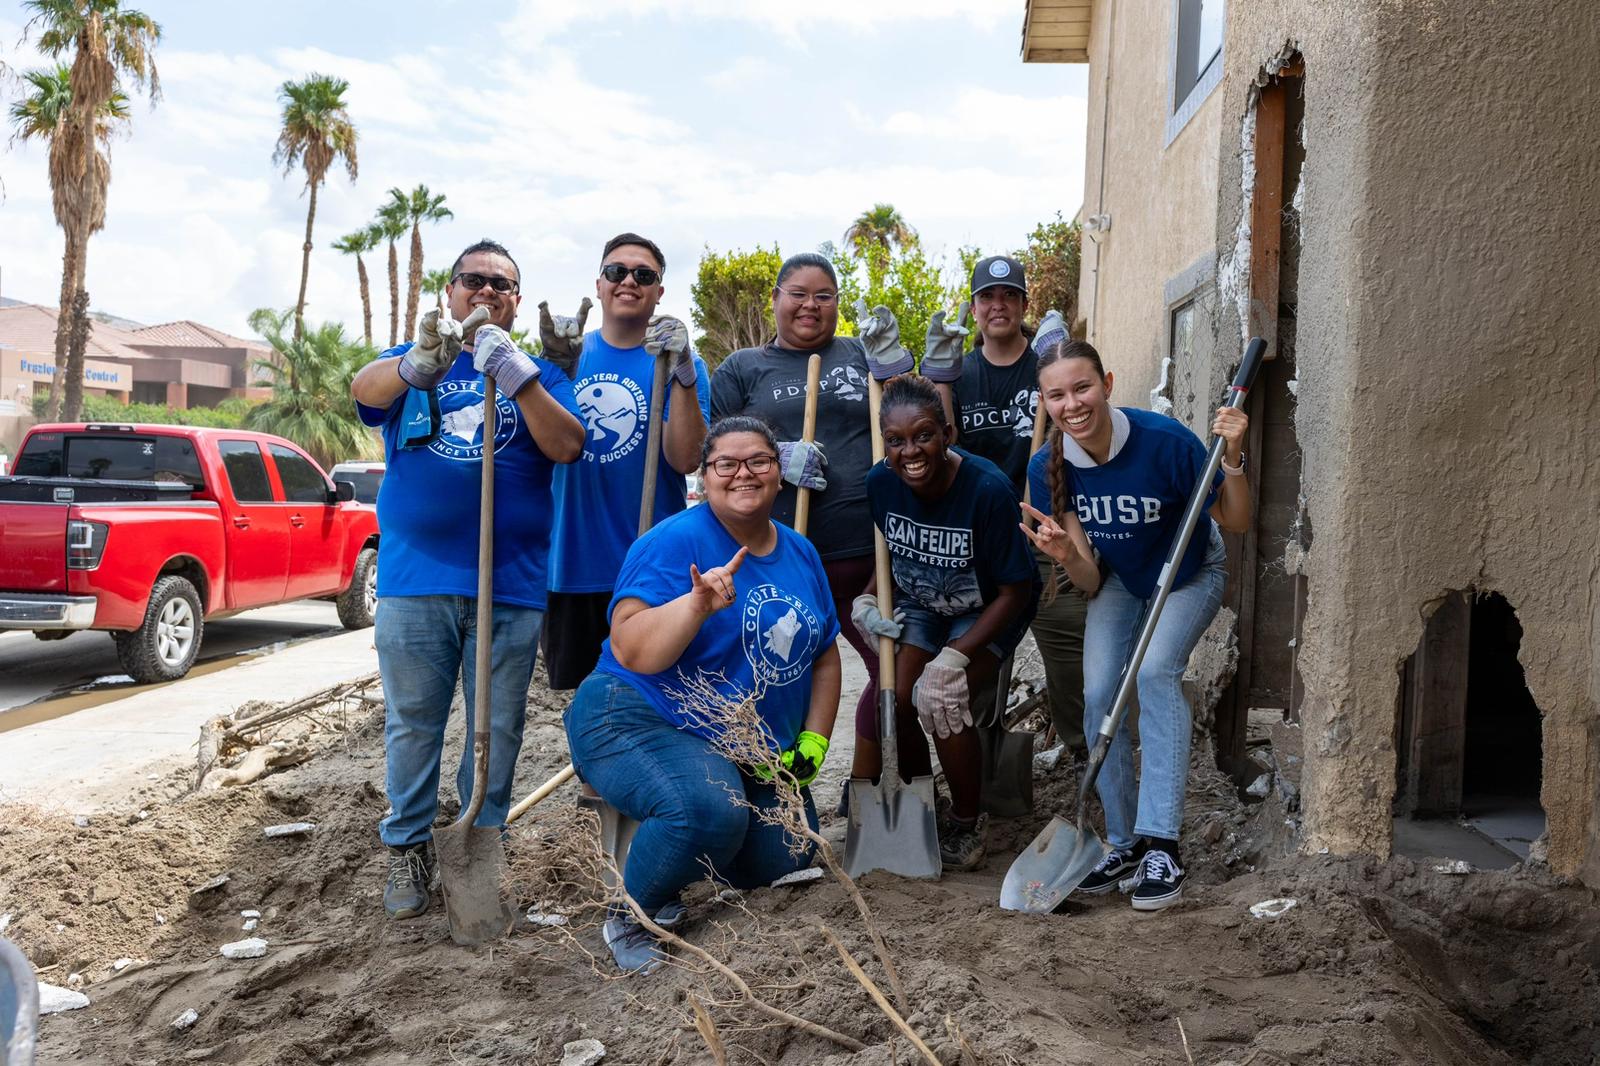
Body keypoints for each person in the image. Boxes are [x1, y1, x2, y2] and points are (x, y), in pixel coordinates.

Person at [351, 238, 585, 920]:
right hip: (414, 580)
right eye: (473, 280)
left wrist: (519, 378)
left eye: (502, 284)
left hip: (508, 585)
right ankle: (408, 849)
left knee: (498, 725)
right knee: (414, 725)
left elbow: (568, 444)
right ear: (451, 291)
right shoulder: (418, 362)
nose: (486, 291)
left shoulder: (535, 371)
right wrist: (418, 362)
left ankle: (484, 835)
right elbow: (362, 393)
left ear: (515, 300)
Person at [564, 416, 842, 973]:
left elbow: (826, 654)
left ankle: (682, 841)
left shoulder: (800, 552)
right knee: (704, 810)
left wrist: (813, 738)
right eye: (726, 464)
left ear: (779, 474)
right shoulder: (673, 541)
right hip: (633, 716)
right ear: (705, 475)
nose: (744, 473)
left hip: (734, 743)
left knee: (788, 847)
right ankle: (632, 913)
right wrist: (694, 606)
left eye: (759, 461)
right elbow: (634, 650)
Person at [1023, 338, 1250, 911]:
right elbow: (1092, 581)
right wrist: (1063, 554)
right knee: (1099, 690)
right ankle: (1121, 843)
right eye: (1057, 395)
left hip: (1189, 573)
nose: (1072, 403)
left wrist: (1233, 457)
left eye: (1083, 387)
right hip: (1122, 579)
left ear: (1108, 383)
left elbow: (1239, 519)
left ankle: (1162, 845)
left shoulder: (1163, 441)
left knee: (1153, 674)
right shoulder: (1046, 468)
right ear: (1043, 402)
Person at [710, 253, 885, 783]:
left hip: (867, 546)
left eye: (824, 295)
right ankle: (767, 782)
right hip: (783, 552)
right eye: (798, 293)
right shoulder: (742, 367)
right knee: (778, 672)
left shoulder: (860, 355)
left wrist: (896, 363)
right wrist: (776, 455)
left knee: (891, 671)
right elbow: (712, 450)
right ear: (776, 299)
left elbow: (907, 419)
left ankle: (863, 784)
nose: (811, 305)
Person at [860, 375, 1039, 870]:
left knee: (940, 697)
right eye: (895, 441)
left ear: (948, 434)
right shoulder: (880, 483)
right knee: (892, 697)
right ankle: (922, 805)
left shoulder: (987, 491)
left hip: (987, 605)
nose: (909, 451)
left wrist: (956, 657)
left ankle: (966, 818)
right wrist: (869, 598)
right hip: (921, 602)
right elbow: (890, 552)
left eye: (923, 435)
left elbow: (1016, 590)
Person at [545, 232, 711, 690]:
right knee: (582, 703)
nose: (629, 281)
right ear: (598, 285)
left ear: (659, 292)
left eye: (645, 275)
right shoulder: (567, 356)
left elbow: (685, 459)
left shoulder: (683, 366)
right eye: (617, 272)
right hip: (572, 566)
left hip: (652, 568)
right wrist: (549, 369)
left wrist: (682, 373)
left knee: (653, 699)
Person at [945, 257, 1089, 754]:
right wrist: (939, 380)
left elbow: (1083, 416)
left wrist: (1061, 360)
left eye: (1009, 295)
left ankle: (1083, 755)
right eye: (988, 296)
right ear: (974, 307)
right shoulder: (959, 374)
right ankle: (981, 765)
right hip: (983, 543)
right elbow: (944, 449)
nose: (998, 305)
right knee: (980, 662)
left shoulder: (1048, 366)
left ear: (1025, 304)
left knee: (1072, 659)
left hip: (1047, 532)